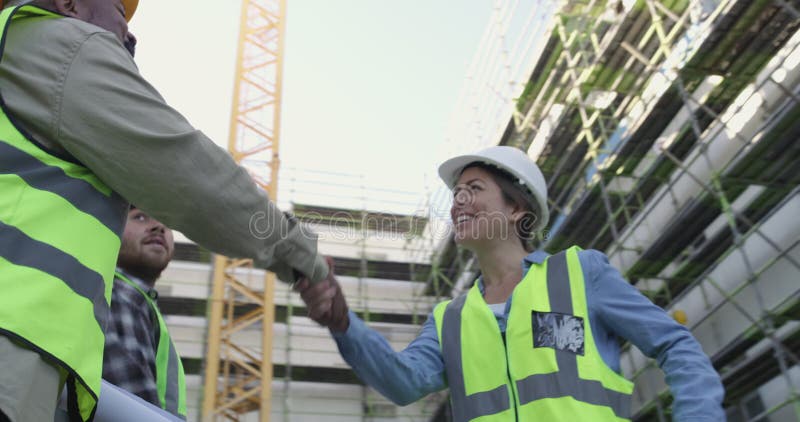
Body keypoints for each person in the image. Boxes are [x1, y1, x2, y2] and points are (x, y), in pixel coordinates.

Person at [0, 1, 330, 421]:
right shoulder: (60, 47)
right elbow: (193, 176)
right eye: (120, 11)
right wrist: (304, 258)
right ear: (70, 4)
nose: (130, 34)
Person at [294, 146, 725, 421]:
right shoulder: (450, 318)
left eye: (473, 189)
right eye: (455, 194)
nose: (458, 202)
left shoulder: (580, 273)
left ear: (517, 209)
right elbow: (403, 383)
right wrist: (343, 323)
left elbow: (676, 344)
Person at [102, 207, 186, 419]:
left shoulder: (138, 300)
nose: (159, 227)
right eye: (140, 217)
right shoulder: (119, 294)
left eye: (167, 225)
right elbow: (131, 408)